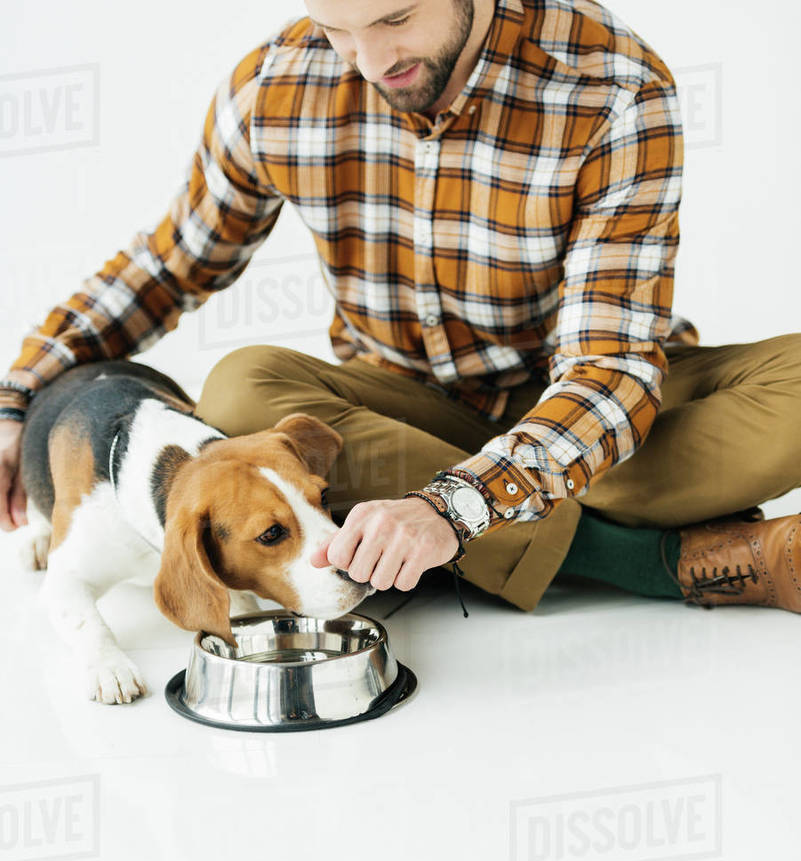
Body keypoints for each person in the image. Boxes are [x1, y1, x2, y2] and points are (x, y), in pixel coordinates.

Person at [2, 0, 800, 613]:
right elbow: (167, 268)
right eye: (337, 28)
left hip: (588, 415)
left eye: (396, 16)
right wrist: (15, 399)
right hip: (396, 417)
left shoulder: (612, 86)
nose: (370, 59)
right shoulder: (274, 87)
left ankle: (484, 524)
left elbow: (609, 372)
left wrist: (451, 505)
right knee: (242, 389)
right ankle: (668, 561)